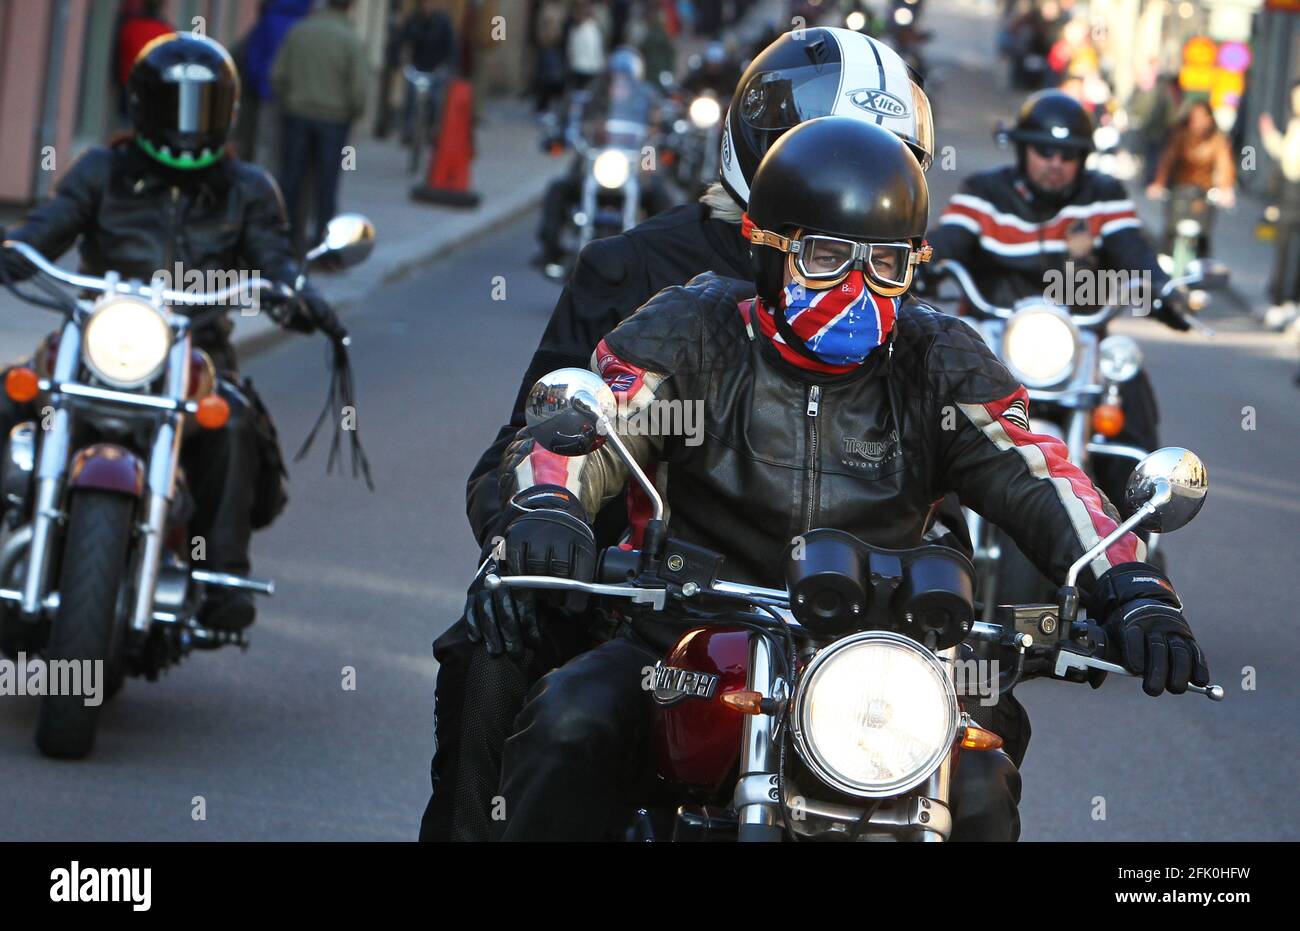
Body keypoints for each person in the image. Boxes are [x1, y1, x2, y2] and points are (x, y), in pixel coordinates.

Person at [482, 116, 1210, 841]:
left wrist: (1130, 585)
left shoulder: (938, 362)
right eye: (827, 257)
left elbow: (1035, 469)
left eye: (885, 264)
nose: (857, 287)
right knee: (569, 718)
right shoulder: (692, 332)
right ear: (768, 251)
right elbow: (600, 424)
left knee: (981, 783)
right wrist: (551, 503)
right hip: (685, 645)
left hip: (887, 666)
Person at [421, 27, 937, 842]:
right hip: (633, 594)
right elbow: (526, 440)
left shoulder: (909, 298)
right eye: (824, 150)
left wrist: (1098, 585)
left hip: (842, 623)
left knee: (981, 743)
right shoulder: (635, 269)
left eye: (881, 156)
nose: (852, 180)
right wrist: (530, 532)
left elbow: (996, 461)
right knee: (493, 653)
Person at [0, 34, 346, 632]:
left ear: (227, 114)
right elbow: (45, 227)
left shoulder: (248, 189)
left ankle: (222, 574)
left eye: (204, 107)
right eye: (176, 104)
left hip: (194, 344)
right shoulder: (102, 171)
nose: (189, 123)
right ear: (143, 105)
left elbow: (274, 259)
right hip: (97, 333)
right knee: (15, 391)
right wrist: (17, 250)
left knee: (231, 418)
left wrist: (296, 292)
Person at [922, 90, 1193, 513]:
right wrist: (921, 262)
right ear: (1023, 148)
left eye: (1068, 154)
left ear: (1083, 159)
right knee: (925, 399)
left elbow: (1133, 250)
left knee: (1128, 393)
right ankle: (913, 514)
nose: (1055, 162)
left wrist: (1163, 288)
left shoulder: (1103, 195)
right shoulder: (985, 192)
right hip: (992, 341)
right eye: (1044, 150)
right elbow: (948, 238)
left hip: (1080, 343)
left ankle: (1139, 532)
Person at [533, 46, 675, 278]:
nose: (619, 83)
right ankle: (551, 252)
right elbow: (571, 119)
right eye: (615, 78)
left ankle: (665, 264)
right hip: (593, 166)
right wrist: (558, 134)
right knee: (557, 191)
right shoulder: (591, 97)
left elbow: (660, 125)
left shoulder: (647, 99)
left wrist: (666, 135)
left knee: (661, 197)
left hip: (634, 168)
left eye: (625, 79)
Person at [271, 0, 369, 252]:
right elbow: (358, 89)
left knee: (291, 178)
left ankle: (285, 239)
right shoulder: (349, 39)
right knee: (326, 183)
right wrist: (353, 112)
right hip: (333, 120)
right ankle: (323, 244)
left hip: (296, 115)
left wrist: (288, 101)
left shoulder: (299, 31)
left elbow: (278, 75)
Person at [1146, 100, 1236, 259]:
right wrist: (1159, 183)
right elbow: (1168, 160)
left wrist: (1225, 189)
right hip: (1179, 191)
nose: (1200, 123)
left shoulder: (1217, 140)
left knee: (1203, 236)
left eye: (1204, 118)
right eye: (1196, 118)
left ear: (1210, 119)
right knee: (1170, 232)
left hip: (1203, 194)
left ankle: (1201, 265)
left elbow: (1224, 165)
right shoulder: (1180, 136)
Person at [1259, 79, 1300, 332]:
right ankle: (1280, 301)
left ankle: (1292, 302)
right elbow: (1286, 159)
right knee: (1284, 250)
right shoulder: (1293, 126)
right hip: (1288, 196)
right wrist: (1268, 135)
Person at [395, 0, 457, 145]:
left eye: (429, 3)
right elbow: (401, 40)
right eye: (424, 3)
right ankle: (408, 131)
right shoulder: (413, 20)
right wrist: (398, 59)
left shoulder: (443, 22)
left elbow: (452, 47)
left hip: (435, 69)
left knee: (435, 101)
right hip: (417, 68)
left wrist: (449, 67)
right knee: (410, 99)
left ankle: (432, 130)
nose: (426, 6)